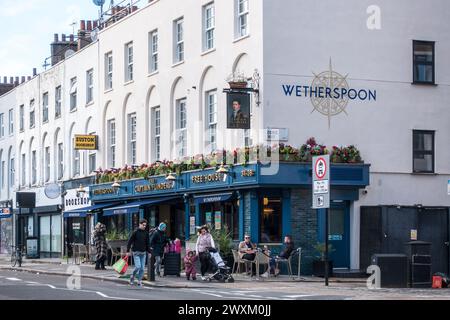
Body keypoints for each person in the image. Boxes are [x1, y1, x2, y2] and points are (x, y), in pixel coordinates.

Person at [127, 219, 151, 287]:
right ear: (139, 224)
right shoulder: (135, 232)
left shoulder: (146, 233)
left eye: (145, 225)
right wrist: (128, 251)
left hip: (143, 253)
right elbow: (130, 241)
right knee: (138, 266)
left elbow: (148, 243)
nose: (144, 226)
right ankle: (132, 276)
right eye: (143, 225)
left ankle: (139, 281)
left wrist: (149, 252)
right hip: (136, 252)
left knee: (142, 268)